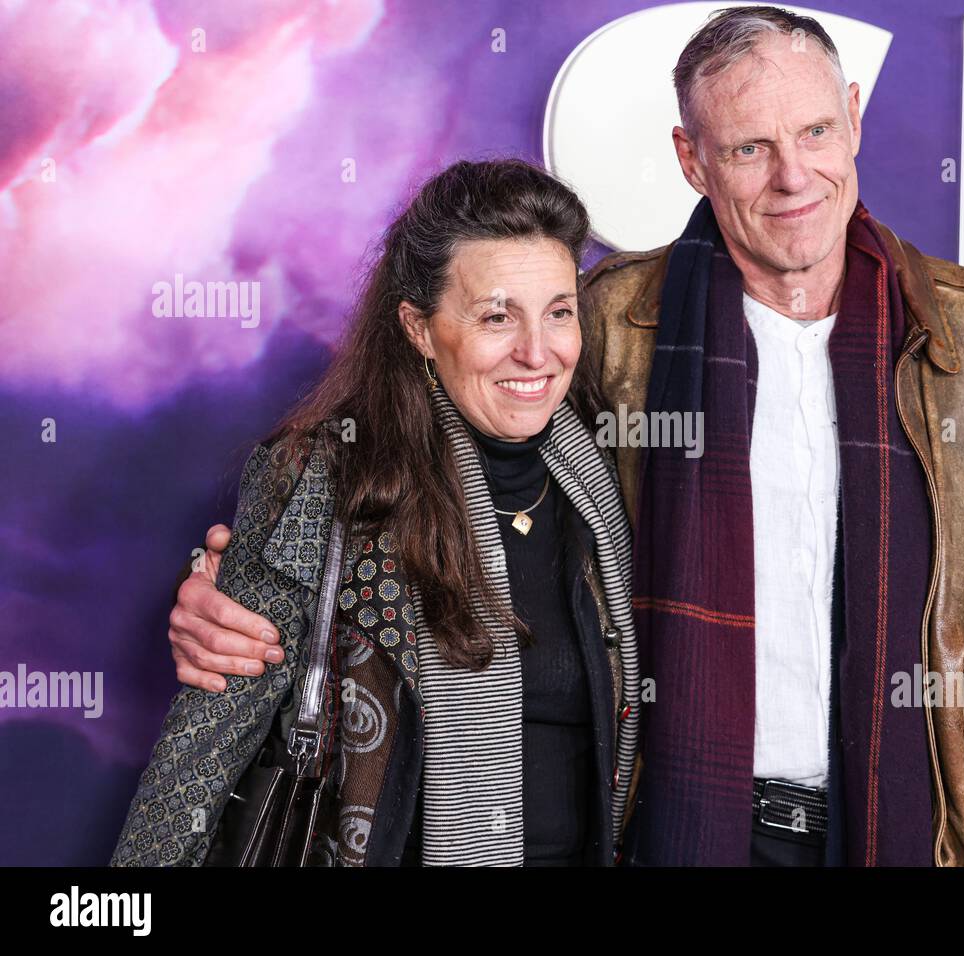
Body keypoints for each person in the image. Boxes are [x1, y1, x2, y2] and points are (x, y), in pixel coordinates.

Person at [160, 5, 964, 867]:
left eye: (817, 130)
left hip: (932, 837)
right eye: (748, 148)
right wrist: (242, 603)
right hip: (679, 827)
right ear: (692, 159)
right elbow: (445, 470)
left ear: (854, 116)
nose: (793, 176)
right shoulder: (611, 325)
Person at [111, 158, 640, 867]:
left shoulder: (601, 475)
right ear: (419, 330)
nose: (537, 352)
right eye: (495, 316)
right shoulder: (330, 477)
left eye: (559, 311)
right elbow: (199, 758)